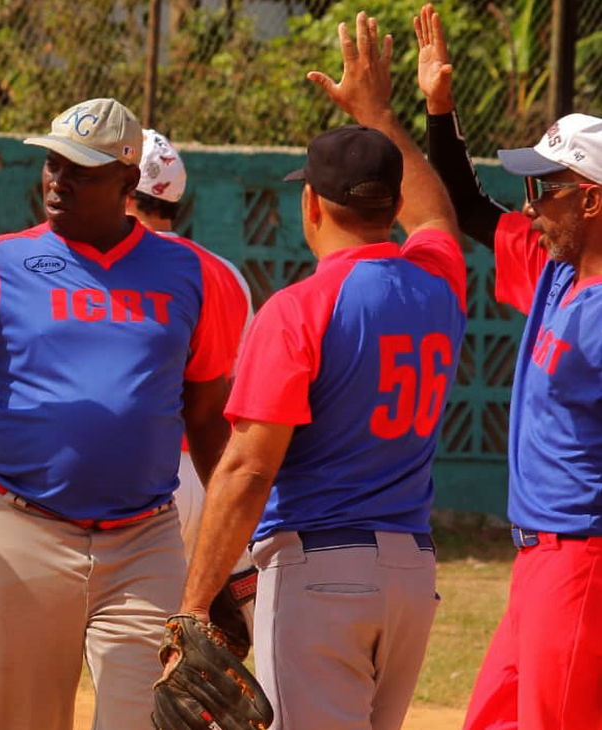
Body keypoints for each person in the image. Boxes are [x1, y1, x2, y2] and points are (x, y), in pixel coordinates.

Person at [0, 98, 246, 730]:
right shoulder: (0, 262)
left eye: (82, 171)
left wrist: (235, 550)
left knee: (146, 718)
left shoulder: (195, 275)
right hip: (27, 530)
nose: (59, 181)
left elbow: (206, 418)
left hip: (146, 540)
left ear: (128, 181)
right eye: (53, 164)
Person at [172, 13, 467, 730]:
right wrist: (380, 117)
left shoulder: (299, 309)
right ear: (392, 205)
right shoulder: (440, 282)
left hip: (321, 574)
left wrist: (192, 608)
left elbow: (247, 469)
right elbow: (437, 217)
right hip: (411, 577)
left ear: (310, 204)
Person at [416, 5, 602, 728]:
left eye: (545, 188)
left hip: (581, 564)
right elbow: (466, 205)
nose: (530, 206)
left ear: (590, 199)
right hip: (536, 565)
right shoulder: (553, 269)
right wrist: (439, 109)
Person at [125, 128, 258, 638]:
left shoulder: (117, 266)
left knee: (133, 640)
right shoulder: (227, 273)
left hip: (145, 475)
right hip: (213, 470)